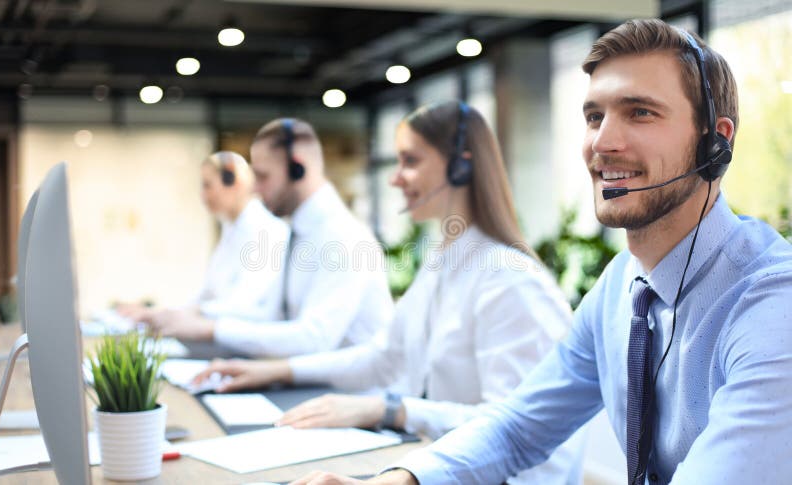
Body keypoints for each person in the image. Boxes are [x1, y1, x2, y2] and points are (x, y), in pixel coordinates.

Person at [285, 19, 792, 485]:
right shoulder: (620, 288)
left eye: (640, 112)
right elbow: (518, 425)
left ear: (715, 143)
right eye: (595, 116)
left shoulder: (772, 305)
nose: (603, 142)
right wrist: (399, 481)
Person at [195, 101, 585, 484]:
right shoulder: (443, 263)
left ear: (461, 163)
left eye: (410, 161)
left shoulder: (510, 280)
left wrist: (390, 409)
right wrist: (274, 371)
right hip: (437, 465)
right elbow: (384, 356)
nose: (395, 178)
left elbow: (515, 432)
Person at [142, 118, 394, 358]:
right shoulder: (299, 232)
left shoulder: (343, 236)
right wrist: (185, 318)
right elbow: (268, 314)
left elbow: (315, 338)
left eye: (263, 176)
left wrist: (211, 328)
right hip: (317, 387)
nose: (254, 188)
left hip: (357, 396)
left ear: (297, 168)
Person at [118, 151, 289, 324]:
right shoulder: (231, 229)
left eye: (208, 185)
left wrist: (183, 314)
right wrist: (160, 312)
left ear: (234, 182)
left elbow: (243, 305)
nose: (203, 195)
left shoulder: (267, 231)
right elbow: (206, 293)